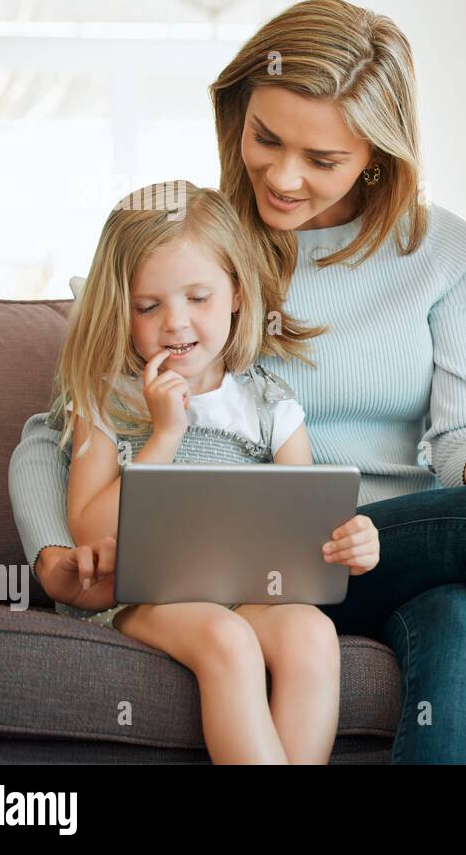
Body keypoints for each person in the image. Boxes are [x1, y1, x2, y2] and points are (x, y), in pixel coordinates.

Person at [8, 0, 466, 764]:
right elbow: (60, 419)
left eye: (322, 161)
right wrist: (58, 555)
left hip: (391, 544)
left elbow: (457, 435)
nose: (284, 177)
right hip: (276, 554)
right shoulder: (202, 247)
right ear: (238, 115)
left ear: (376, 154)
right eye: (266, 139)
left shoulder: (442, 251)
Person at [53, 181, 344, 763]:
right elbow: (88, 531)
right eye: (149, 306)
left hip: (245, 594)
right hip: (137, 599)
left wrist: (349, 541)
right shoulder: (106, 400)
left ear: (236, 293)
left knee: (312, 630)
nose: (175, 324)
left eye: (198, 298)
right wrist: (165, 436)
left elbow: (306, 537)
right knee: (225, 639)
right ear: (122, 309)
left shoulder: (270, 405)